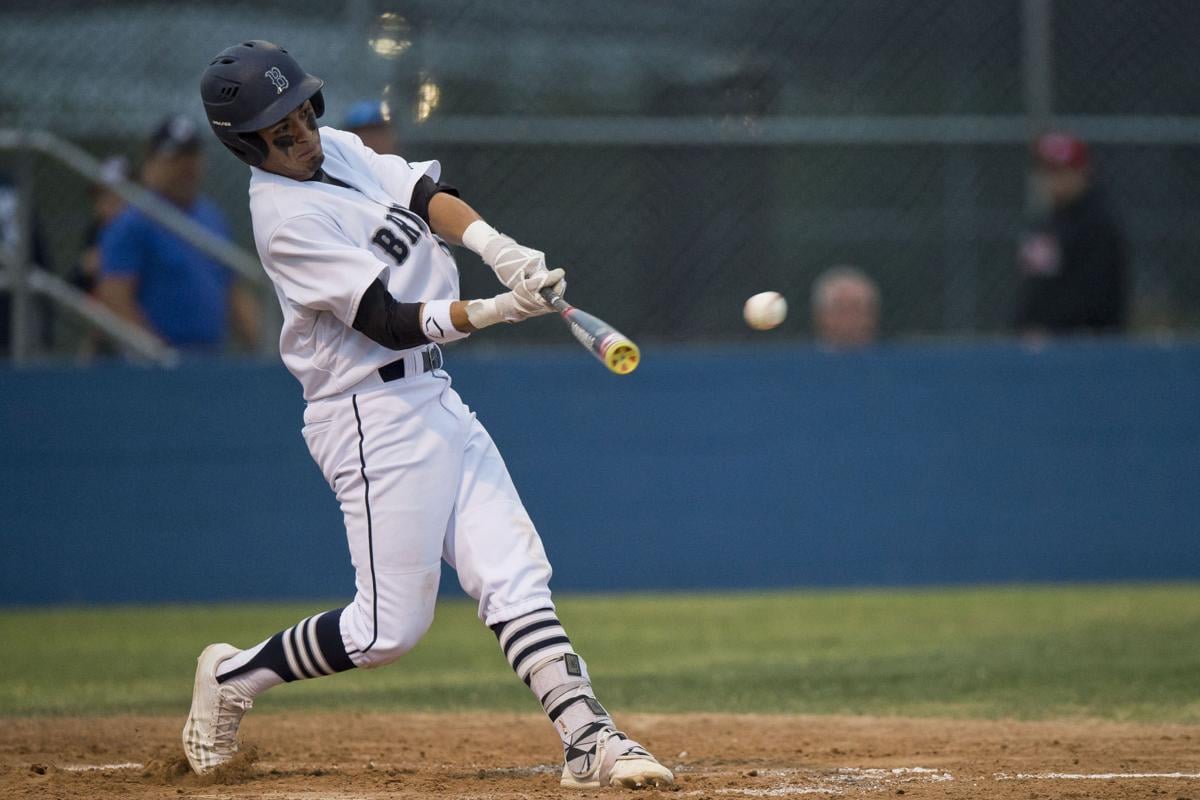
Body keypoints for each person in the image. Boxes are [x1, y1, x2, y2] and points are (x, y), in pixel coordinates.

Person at [187, 40, 673, 790]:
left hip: (431, 396)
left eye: (303, 114)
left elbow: (420, 195)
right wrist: (494, 308)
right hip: (366, 413)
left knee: (513, 572)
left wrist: (495, 245)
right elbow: (386, 318)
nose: (303, 135)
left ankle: (590, 739)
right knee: (385, 629)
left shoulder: (337, 149)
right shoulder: (285, 218)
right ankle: (232, 678)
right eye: (280, 131)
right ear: (245, 145)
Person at [96, 115, 259, 352]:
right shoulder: (132, 221)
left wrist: (268, 348)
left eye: (192, 155)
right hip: (158, 367)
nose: (186, 166)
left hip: (212, 361)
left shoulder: (211, 217)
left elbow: (232, 292)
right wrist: (155, 354)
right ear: (151, 164)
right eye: (175, 157)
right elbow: (115, 295)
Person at [1014, 132, 1129, 336]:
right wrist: (1022, 328)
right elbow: (1032, 288)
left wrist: (1051, 329)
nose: (1053, 180)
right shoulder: (1044, 225)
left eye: (1062, 171)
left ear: (1083, 171)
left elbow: (1097, 296)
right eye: (1047, 171)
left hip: (1087, 344)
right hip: (1042, 343)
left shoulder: (1098, 224)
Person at [811, 265, 880, 348]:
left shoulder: (891, 357)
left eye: (857, 309)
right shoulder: (799, 358)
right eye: (840, 310)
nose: (849, 318)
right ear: (820, 315)